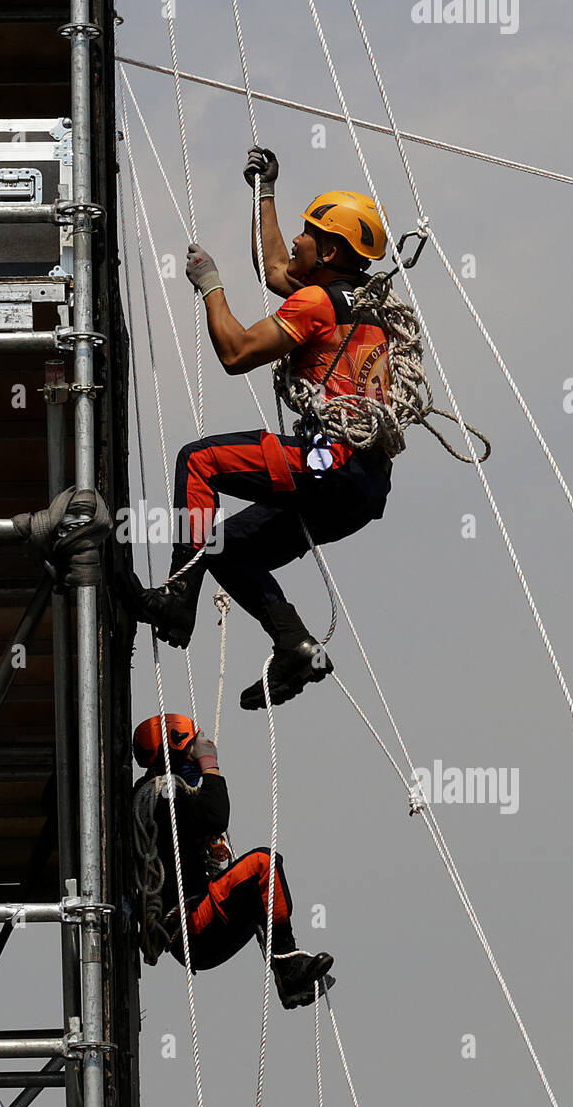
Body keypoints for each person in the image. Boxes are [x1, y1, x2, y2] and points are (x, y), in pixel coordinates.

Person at [126, 146, 394, 711]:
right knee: (222, 547)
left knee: (199, 462)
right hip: (362, 484)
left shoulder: (320, 301)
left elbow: (236, 351)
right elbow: (276, 269)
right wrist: (264, 192)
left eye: (307, 232)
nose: (296, 239)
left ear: (331, 250)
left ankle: (178, 597)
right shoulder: (361, 300)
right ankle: (294, 645)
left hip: (332, 463)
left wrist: (210, 287)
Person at [131, 713, 334, 1009]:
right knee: (263, 864)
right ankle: (288, 967)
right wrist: (209, 765)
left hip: (196, 928)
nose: (199, 748)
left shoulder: (164, 794)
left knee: (259, 891)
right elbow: (215, 816)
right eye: (191, 745)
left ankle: (290, 976)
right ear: (173, 747)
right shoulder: (163, 793)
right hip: (191, 926)